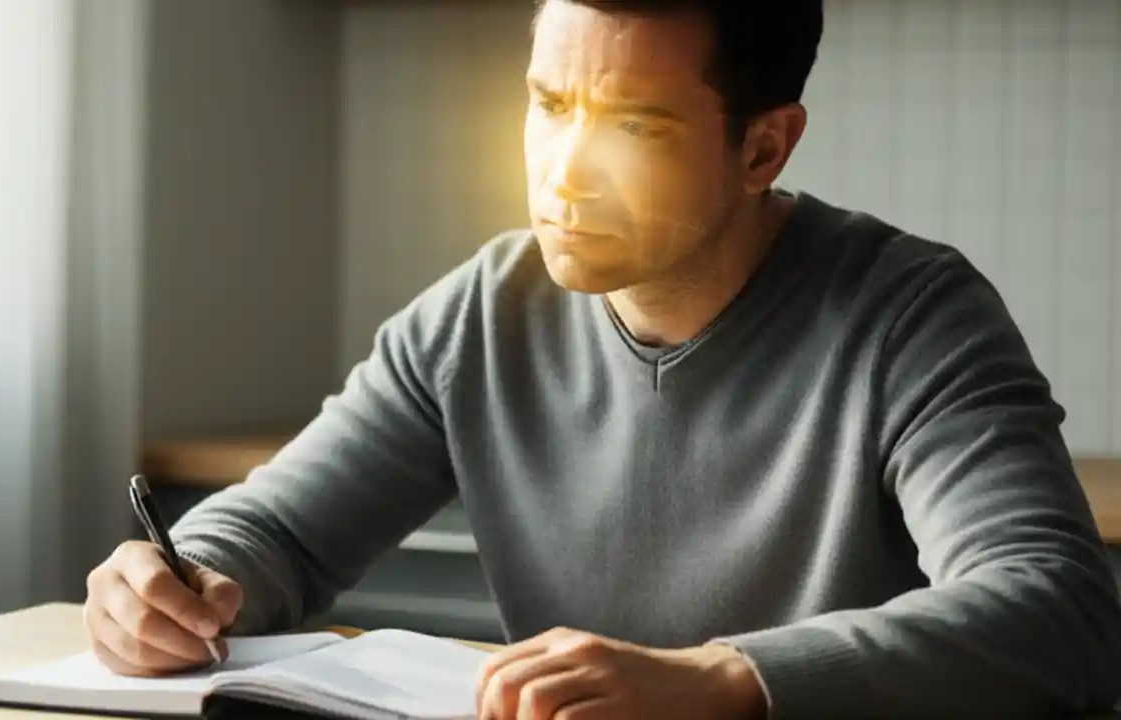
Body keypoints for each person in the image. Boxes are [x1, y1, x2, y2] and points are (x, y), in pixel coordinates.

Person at [83, 1, 1121, 717]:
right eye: (548, 104)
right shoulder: (482, 312)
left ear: (762, 148)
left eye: (632, 125)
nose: (565, 176)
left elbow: (1056, 608)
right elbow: (275, 533)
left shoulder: (911, 315)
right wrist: (180, 580)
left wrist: (722, 683)